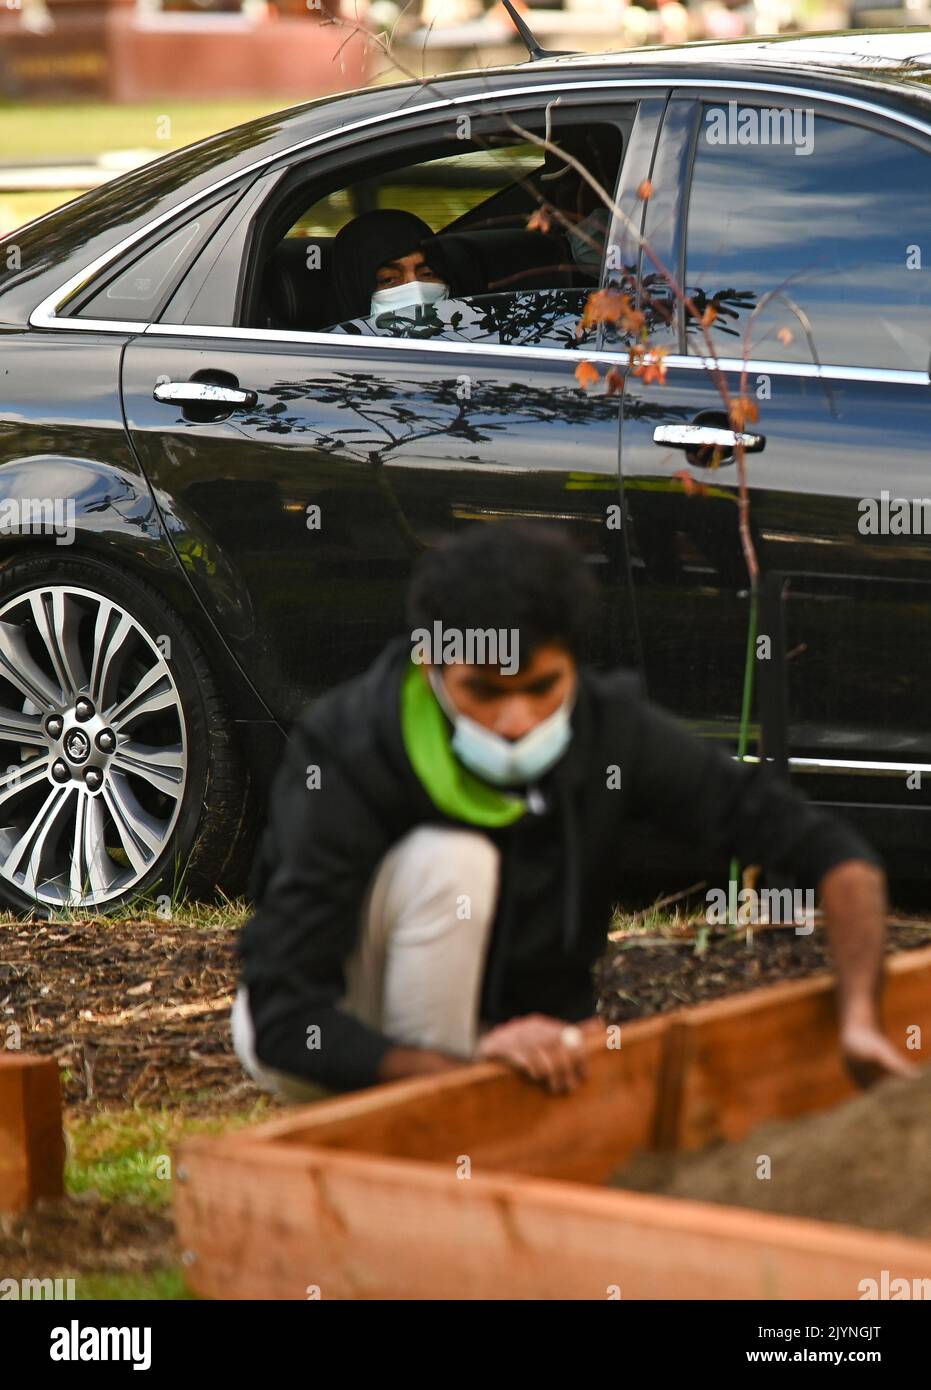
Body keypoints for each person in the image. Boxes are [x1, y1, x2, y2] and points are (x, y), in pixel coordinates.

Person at [233, 523, 913, 1099]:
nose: (514, 720)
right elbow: (285, 1016)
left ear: (572, 665)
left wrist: (858, 1017)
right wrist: (469, 1071)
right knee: (455, 862)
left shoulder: (608, 729)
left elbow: (829, 853)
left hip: (499, 1032)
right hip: (329, 1033)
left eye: (540, 688)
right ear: (432, 664)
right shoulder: (349, 746)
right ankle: (442, 1122)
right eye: (481, 691)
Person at [329, 208, 449, 323]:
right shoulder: (324, 343)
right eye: (388, 279)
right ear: (353, 289)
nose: (417, 294)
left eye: (427, 274)